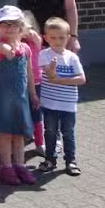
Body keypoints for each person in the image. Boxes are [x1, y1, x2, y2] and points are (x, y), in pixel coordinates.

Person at [0, 5, 41, 186]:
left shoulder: (26, 48)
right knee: (7, 133)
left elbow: (30, 74)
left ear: (21, 27)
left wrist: (33, 94)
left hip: (21, 98)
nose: (8, 29)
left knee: (20, 135)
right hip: (4, 99)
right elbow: (2, 49)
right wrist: (9, 50)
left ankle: (20, 165)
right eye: (4, 25)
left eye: (13, 25)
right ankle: (6, 167)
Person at [38, 17, 86, 176]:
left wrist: (59, 79)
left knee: (68, 133)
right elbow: (49, 74)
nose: (57, 41)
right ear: (45, 38)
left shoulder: (72, 57)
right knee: (50, 132)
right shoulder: (44, 54)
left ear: (68, 38)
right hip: (49, 104)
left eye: (61, 38)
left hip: (68, 105)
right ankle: (50, 160)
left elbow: (82, 79)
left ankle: (71, 161)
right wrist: (52, 71)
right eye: (53, 38)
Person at [22, 11, 46, 157]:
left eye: (28, 27)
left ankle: (39, 142)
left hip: (37, 82)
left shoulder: (35, 42)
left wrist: (32, 33)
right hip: (21, 83)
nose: (26, 32)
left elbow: (39, 42)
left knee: (37, 112)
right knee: (24, 112)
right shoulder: (17, 44)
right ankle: (27, 133)